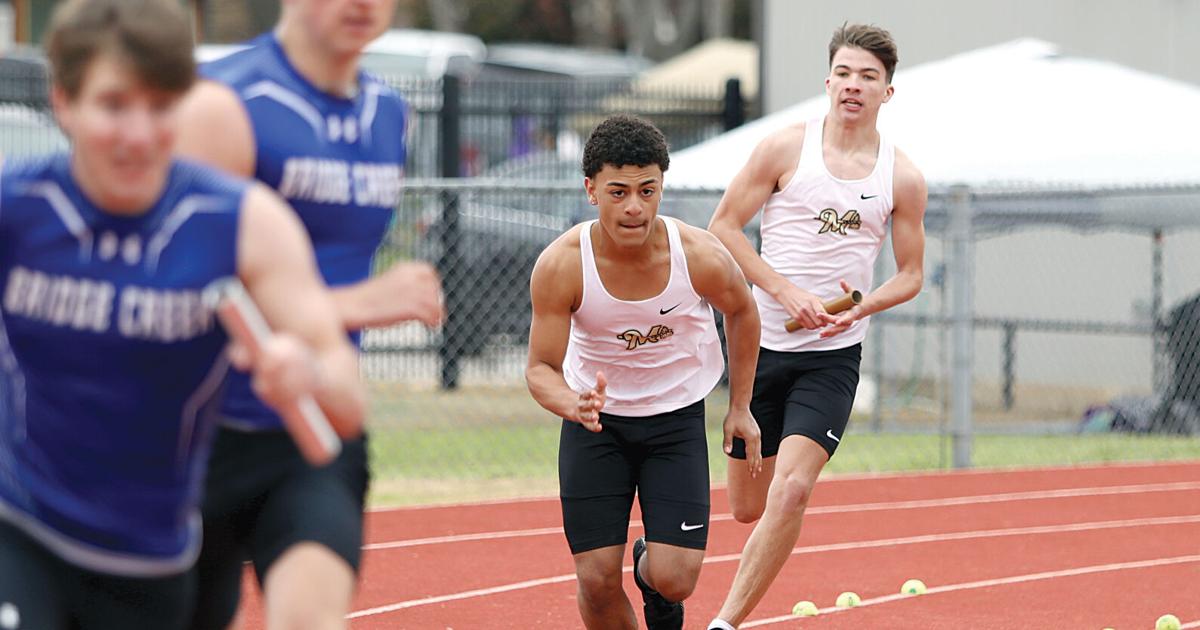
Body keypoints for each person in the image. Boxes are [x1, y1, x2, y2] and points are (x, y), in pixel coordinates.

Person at [0, 1, 366, 628]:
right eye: (114, 105)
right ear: (64, 103)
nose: (138, 134)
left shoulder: (244, 222)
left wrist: (305, 370)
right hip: (21, 528)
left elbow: (346, 396)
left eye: (161, 106)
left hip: (151, 559)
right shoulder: (18, 208)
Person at [172, 1, 444, 628]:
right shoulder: (224, 103)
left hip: (313, 426)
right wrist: (356, 304)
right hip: (194, 436)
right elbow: (180, 285)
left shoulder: (387, 114)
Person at [704, 23, 927, 630]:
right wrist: (781, 289)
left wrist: (862, 307)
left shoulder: (900, 177)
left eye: (869, 77)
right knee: (747, 507)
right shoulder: (784, 149)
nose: (855, 86)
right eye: (846, 73)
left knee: (793, 491)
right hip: (760, 349)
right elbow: (723, 226)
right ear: (829, 80)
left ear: (888, 91)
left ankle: (725, 622)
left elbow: (910, 274)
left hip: (831, 360)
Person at [525, 114, 763, 630]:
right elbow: (541, 368)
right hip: (595, 425)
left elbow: (743, 311)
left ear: (661, 188)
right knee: (595, 579)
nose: (634, 207)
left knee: (676, 578)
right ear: (591, 190)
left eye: (647, 190)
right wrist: (572, 403)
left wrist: (739, 407)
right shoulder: (562, 264)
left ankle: (649, 569)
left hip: (674, 421)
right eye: (618, 192)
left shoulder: (697, 255)